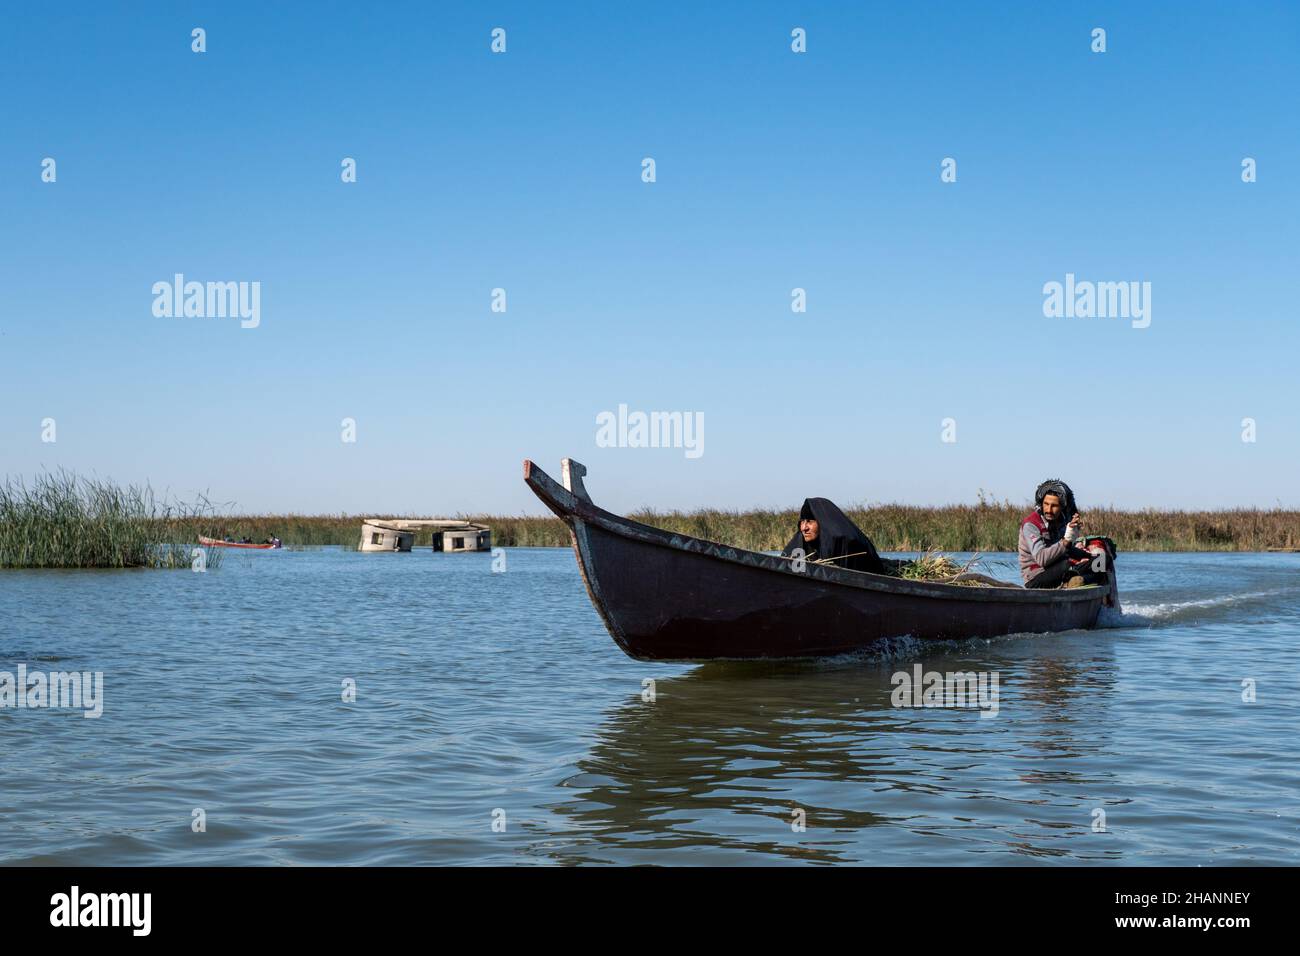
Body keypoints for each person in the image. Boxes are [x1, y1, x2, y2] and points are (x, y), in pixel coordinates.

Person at [1018, 479, 1098, 588]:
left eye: (1054, 506)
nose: (1049, 510)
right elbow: (1042, 559)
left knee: (1101, 560)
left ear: (1062, 507)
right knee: (1067, 564)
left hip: (1058, 570)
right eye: (1046, 504)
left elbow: (1066, 550)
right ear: (1041, 503)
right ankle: (1076, 581)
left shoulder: (1058, 522)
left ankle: (1083, 581)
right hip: (1036, 578)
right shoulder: (1031, 525)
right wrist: (1065, 541)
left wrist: (1089, 556)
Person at [783, 498, 887, 574]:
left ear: (822, 523)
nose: (804, 528)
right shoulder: (800, 541)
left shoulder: (843, 541)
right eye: (802, 522)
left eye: (809, 522)